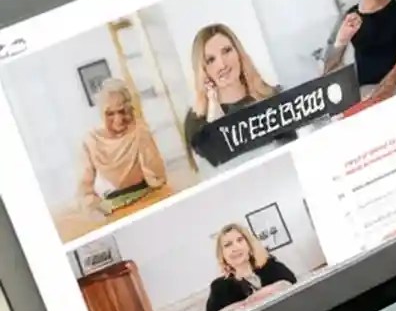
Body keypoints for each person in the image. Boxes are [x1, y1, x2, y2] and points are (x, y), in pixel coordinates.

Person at [183, 23, 286, 168]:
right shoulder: (196, 121)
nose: (222, 64)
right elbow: (212, 168)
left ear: (238, 53)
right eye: (210, 60)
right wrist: (213, 106)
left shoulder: (274, 97)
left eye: (227, 51)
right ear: (203, 70)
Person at [76, 78, 167, 216]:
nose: (118, 119)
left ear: (130, 109)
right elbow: (84, 192)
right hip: (111, 210)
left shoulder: (139, 131)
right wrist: (101, 209)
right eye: (110, 114)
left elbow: (157, 178)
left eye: (122, 111)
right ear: (101, 113)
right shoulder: (90, 141)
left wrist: (142, 137)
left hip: (148, 198)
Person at [205, 222, 297, 311]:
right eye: (228, 245)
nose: (235, 247)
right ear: (222, 255)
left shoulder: (272, 266)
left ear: (249, 244)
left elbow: (296, 291)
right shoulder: (219, 288)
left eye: (240, 240)